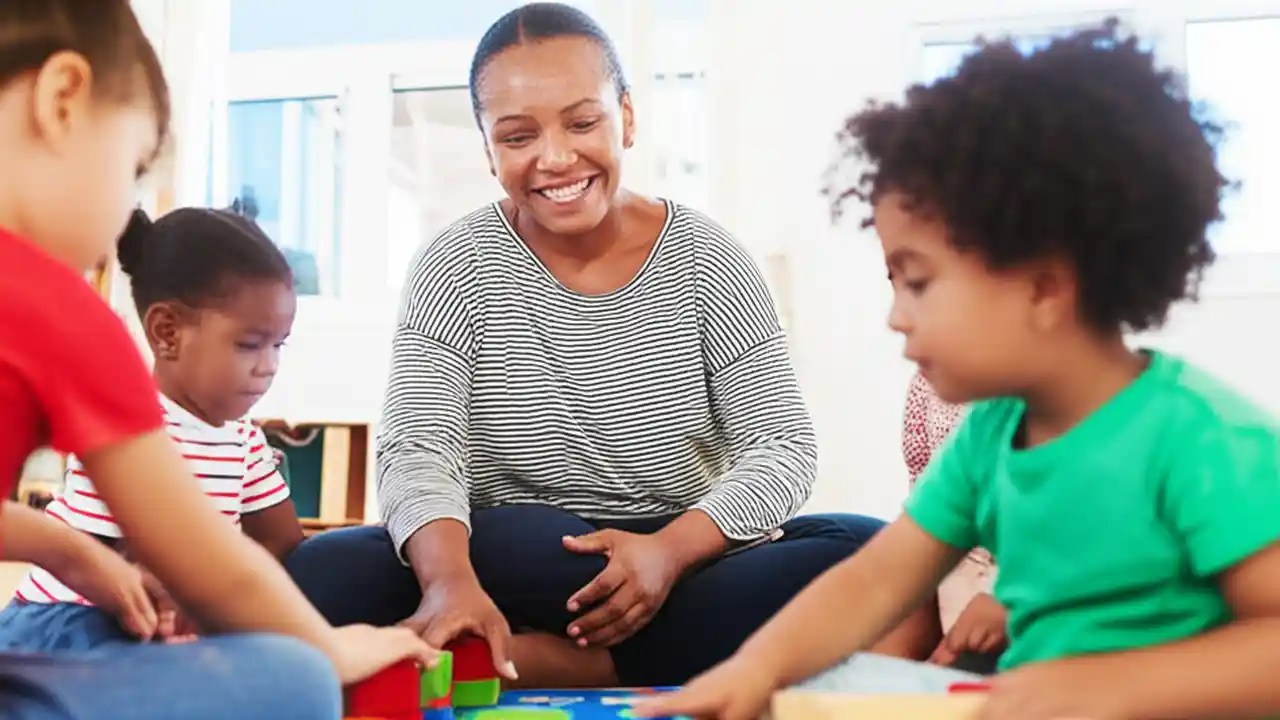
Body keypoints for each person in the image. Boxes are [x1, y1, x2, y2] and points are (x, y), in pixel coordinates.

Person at [635, 19, 1280, 720]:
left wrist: (1111, 688)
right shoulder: (988, 437)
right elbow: (875, 582)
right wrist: (757, 669)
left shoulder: (1201, 439)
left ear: (1042, 286)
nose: (896, 317)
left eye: (917, 282)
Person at [285, 1, 937, 688]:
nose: (555, 157)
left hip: (682, 555)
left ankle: (574, 661)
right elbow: (419, 446)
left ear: (625, 117)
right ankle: (510, 626)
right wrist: (448, 582)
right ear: (487, 150)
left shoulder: (708, 259)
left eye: (582, 121)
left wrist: (667, 554)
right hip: (510, 554)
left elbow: (782, 449)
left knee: (863, 549)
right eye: (517, 136)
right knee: (323, 572)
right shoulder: (457, 264)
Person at [0, 2, 434, 718]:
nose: (122, 214)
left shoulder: (238, 439)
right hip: (60, 633)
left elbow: (262, 548)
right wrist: (334, 649)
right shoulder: (59, 312)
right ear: (62, 102)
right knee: (292, 680)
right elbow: (213, 569)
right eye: (132, 167)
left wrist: (69, 552)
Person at [0, 206, 307, 649]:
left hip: (162, 623)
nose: (270, 366)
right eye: (249, 345)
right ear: (167, 332)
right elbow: (105, 561)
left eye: (279, 344)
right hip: (68, 617)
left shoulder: (244, 439)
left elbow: (282, 540)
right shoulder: (129, 428)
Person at [903, 372, 1007, 672]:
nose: (897, 322)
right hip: (958, 565)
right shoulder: (929, 382)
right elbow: (921, 480)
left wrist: (1009, 597)